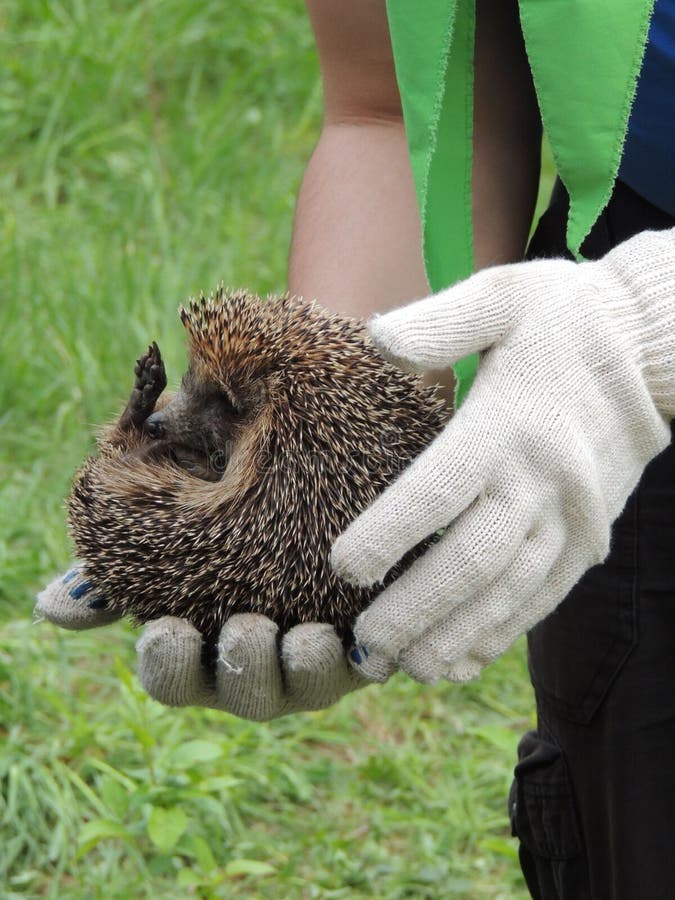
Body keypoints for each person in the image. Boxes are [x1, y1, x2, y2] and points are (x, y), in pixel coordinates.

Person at [37, 1, 675, 897]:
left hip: (617, 324)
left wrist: (650, 319)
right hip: (599, 280)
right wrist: (325, 454)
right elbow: (387, 109)